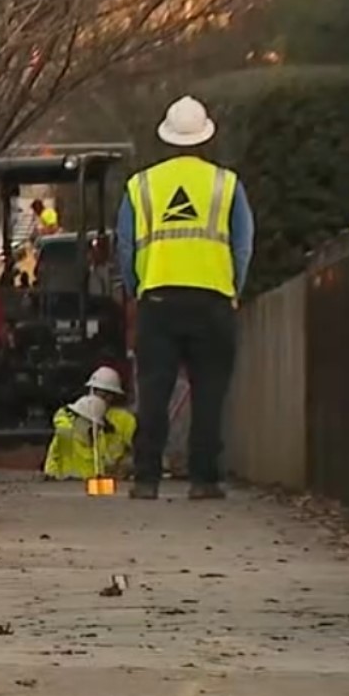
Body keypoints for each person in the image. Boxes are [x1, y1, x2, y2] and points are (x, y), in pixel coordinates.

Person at [115, 96, 254, 501]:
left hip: (157, 301)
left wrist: (136, 289)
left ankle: (146, 479)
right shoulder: (226, 185)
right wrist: (233, 290)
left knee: (153, 392)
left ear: (167, 138)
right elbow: (242, 246)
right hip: (212, 301)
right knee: (209, 393)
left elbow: (126, 247)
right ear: (205, 138)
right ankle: (203, 480)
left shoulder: (141, 186)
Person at [43, 393, 133, 481]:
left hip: (91, 485)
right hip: (67, 484)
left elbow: (106, 463)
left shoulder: (100, 438)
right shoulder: (66, 437)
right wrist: (51, 476)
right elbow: (53, 459)